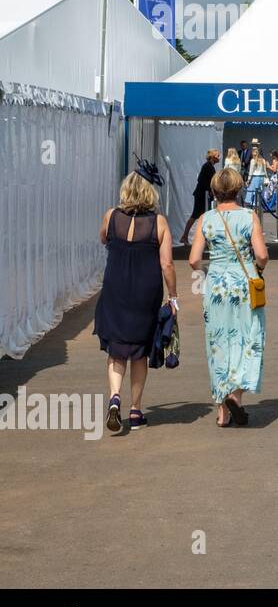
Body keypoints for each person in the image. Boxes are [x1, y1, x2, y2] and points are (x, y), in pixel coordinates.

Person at [93, 162, 178, 433]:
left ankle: (114, 398)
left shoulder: (111, 216)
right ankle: (136, 410)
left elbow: (104, 240)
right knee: (139, 352)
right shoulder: (159, 223)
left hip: (116, 288)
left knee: (117, 351)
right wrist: (173, 296)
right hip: (145, 292)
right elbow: (167, 265)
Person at [188, 167, 267, 427]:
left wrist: (211, 271)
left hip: (216, 285)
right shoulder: (249, 216)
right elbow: (262, 255)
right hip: (244, 284)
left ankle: (222, 411)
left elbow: (193, 259)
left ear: (214, 191)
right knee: (247, 339)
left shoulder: (206, 219)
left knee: (218, 344)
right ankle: (236, 397)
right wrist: (258, 269)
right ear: (239, 188)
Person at [181, 149, 219, 244]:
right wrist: (209, 190)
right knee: (196, 215)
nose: (219, 157)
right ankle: (185, 236)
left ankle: (202, 238)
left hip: (205, 194)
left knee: (204, 215)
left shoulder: (210, 166)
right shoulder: (207, 166)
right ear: (213, 156)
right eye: (218, 155)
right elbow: (201, 180)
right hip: (201, 194)